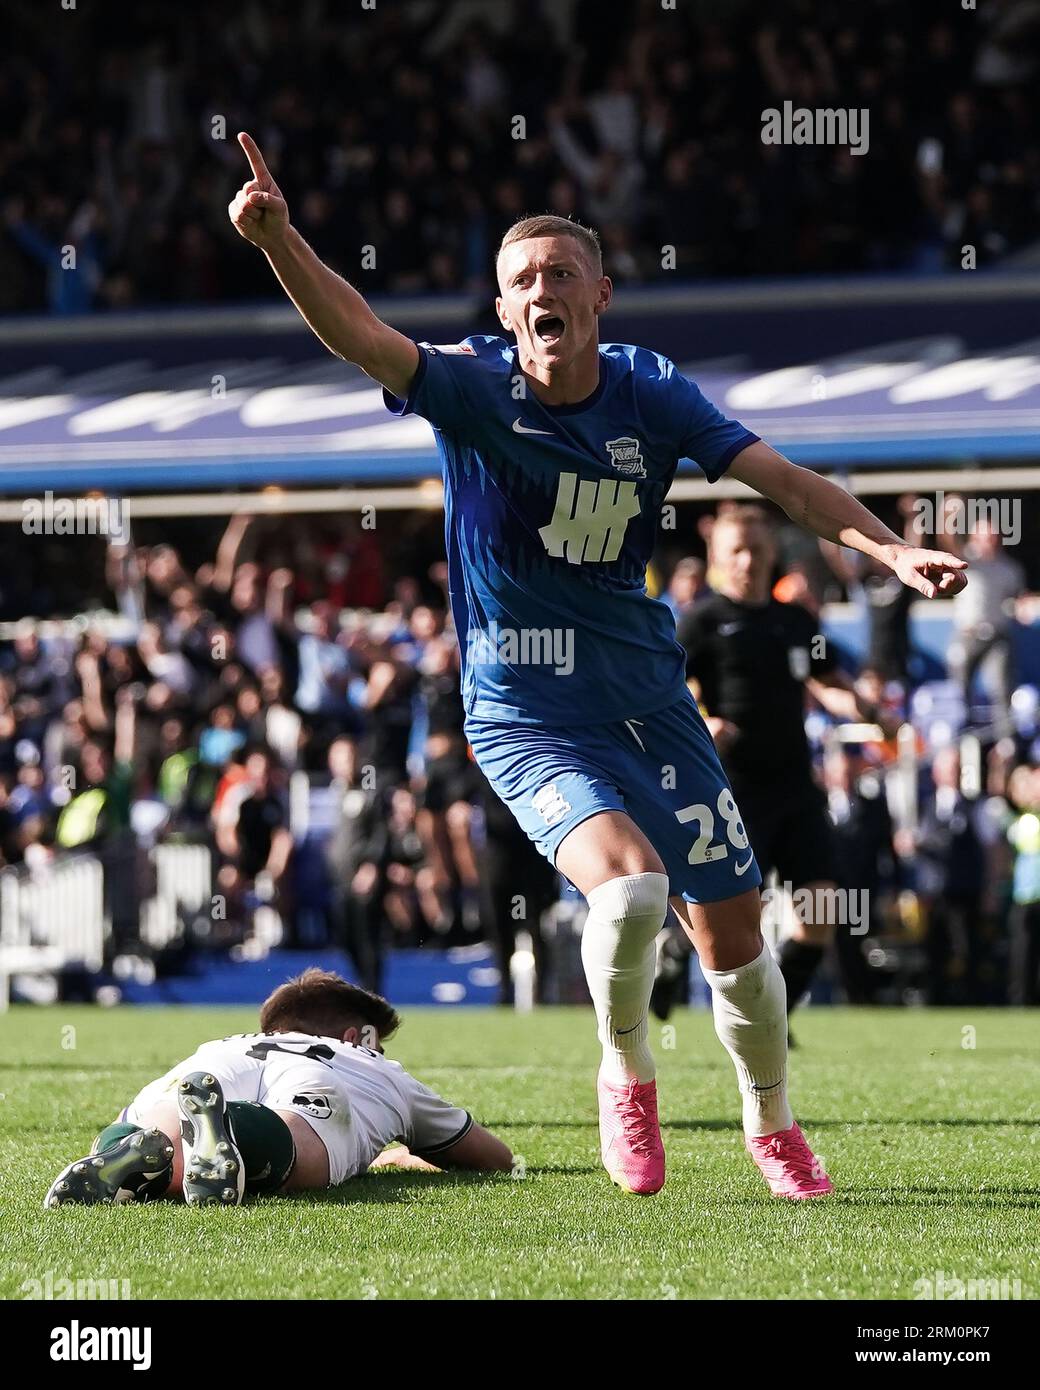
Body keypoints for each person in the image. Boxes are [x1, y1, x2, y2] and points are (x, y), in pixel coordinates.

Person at [227, 133, 966, 1200]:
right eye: (520, 278)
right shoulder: (472, 392)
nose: (540, 289)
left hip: (649, 703)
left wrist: (888, 548)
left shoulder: (649, 394)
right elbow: (361, 336)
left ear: (601, 294)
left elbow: (786, 484)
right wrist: (280, 239)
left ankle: (772, 1126)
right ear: (501, 307)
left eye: (559, 273)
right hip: (525, 710)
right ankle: (625, 1073)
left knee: (736, 945)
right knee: (625, 895)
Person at [658, 506, 881, 1025]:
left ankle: (773, 1016)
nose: (748, 561)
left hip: (796, 786)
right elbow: (673, 690)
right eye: (737, 550)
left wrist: (864, 708)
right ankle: (674, 954)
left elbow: (825, 681)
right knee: (735, 920)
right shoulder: (703, 622)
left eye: (756, 549)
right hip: (734, 791)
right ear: (717, 556)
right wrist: (706, 720)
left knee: (821, 912)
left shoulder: (794, 620)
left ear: (772, 553)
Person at [44, 969, 512, 1208]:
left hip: (212, 1066)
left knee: (152, 1124)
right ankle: (236, 1137)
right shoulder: (372, 1065)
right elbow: (494, 1159)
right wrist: (405, 1153)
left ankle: (134, 1149)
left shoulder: (228, 1041)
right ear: (356, 1035)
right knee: (297, 1138)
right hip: (320, 1078)